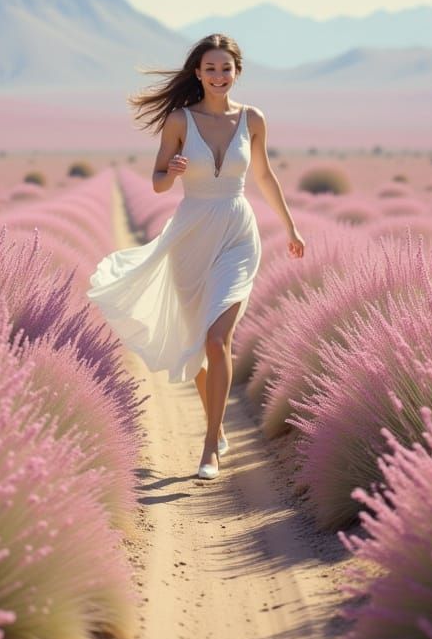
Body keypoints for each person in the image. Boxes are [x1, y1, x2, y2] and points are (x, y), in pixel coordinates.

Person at [87, 33, 305, 480]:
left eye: (226, 69)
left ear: (237, 72)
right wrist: (173, 170)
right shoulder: (179, 120)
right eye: (210, 69)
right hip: (191, 237)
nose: (219, 76)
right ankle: (216, 423)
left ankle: (210, 448)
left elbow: (264, 175)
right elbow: (158, 182)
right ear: (198, 73)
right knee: (198, 348)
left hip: (238, 235)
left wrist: (290, 227)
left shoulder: (254, 118)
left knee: (216, 337)